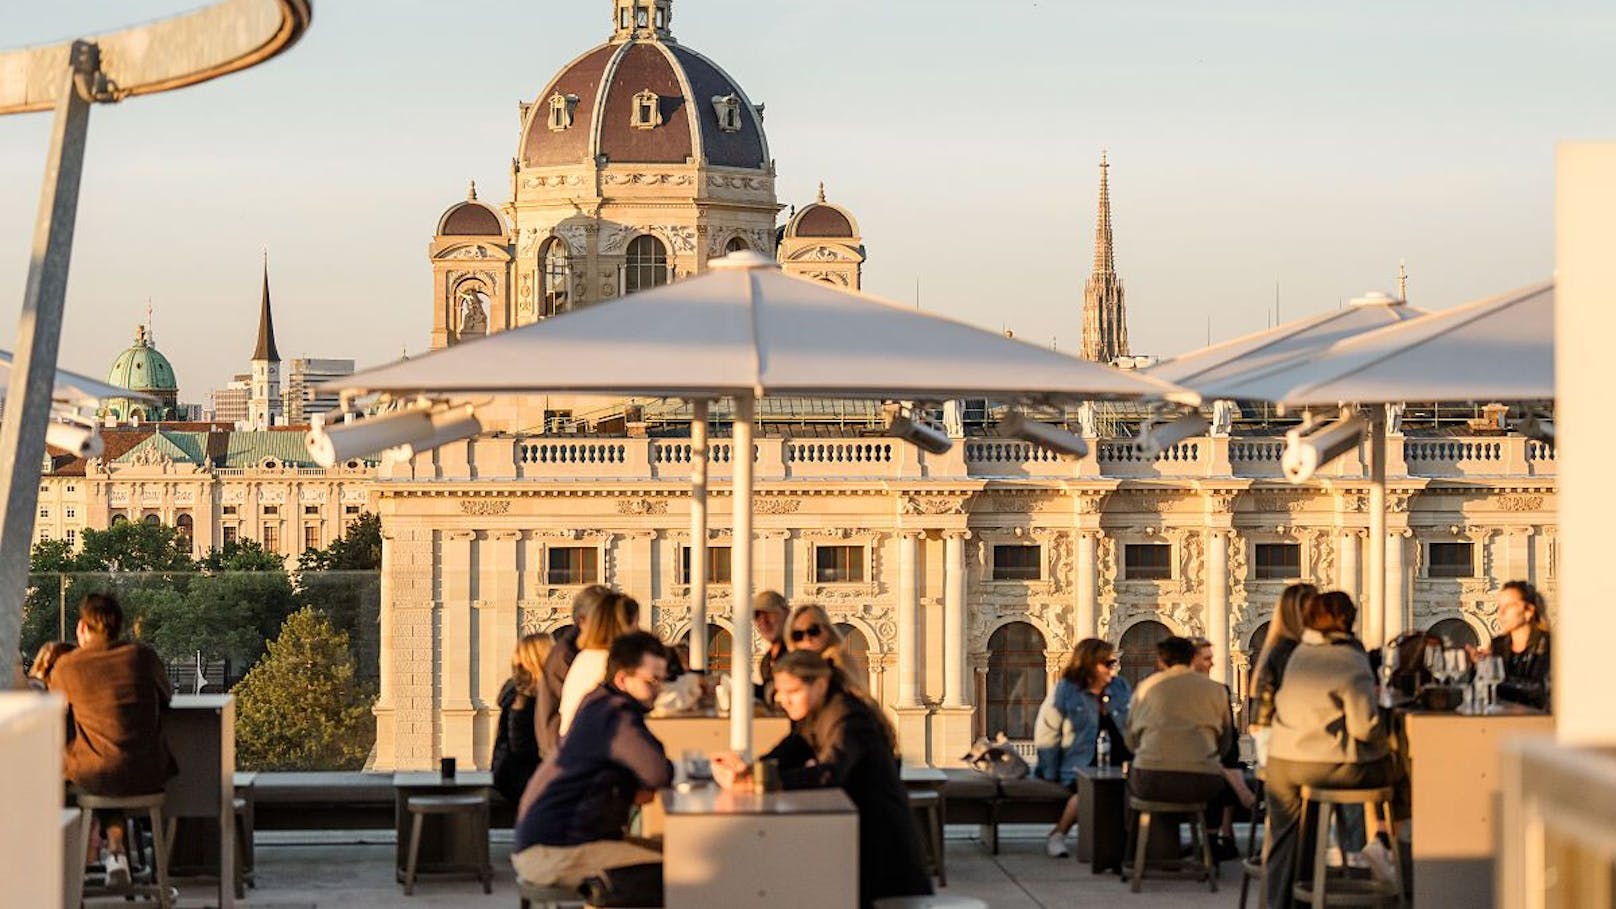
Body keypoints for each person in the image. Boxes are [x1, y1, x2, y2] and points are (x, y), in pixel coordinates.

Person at [713, 651, 932, 908]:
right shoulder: (817, 714)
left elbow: (829, 772)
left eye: (792, 691)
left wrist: (757, 782)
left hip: (881, 844)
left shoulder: (848, 717)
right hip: (854, 835)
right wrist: (749, 771)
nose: (783, 700)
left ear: (819, 684)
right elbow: (788, 751)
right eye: (780, 692)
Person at [1264, 591, 1393, 908]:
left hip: (1281, 762)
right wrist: (1387, 723)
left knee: (1285, 844)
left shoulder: (1298, 653)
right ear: (1348, 621)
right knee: (1395, 773)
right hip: (1327, 765)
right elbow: (1365, 728)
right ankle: (1385, 850)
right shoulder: (1351, 658)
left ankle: (1281, 902)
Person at [513, 631, 672, 889]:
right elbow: (657, 772)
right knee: (685, 870)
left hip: (547, 844)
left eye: (663, 680)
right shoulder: (615, 713)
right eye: (652, 681)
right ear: (622, 679)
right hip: (554, 852)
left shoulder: (598, 703)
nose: (659, 690)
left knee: (676, 854)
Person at [49, 593, 178, 890]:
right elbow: (167, 697)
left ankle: (74, 869)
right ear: (119, 627)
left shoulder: (69, 667)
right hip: (149, 772)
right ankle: (117, 852)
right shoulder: (143, 657)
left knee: (93, 769)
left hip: (97, 774)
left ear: (82, 627)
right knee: (110, 765)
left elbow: (49, 705)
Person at [1034, 637, 1133, 858]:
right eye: (1107, 664)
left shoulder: (1120, 687)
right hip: (1081, 761)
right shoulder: (1066, 690)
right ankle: (1059, 834)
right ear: (1089, 663)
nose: (1112, 669)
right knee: (1093, 789)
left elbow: (1134, 722)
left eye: (1113, 663)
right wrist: (1050, 773)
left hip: (1121, 758)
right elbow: (1048, 732)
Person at [1187, 636, 1258, 859]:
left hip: (1210, 757)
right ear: (1191, 660)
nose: (1212, 664)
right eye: (1206, 658)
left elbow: (1227, 735)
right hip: (1193, 760)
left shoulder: (1219, 690)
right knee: (1224, 762)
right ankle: (1222, 836)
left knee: (1225, 755)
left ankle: (1219, 838)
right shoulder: (1208, 691)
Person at [1248, 582, 1319, 759]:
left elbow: (1260, 721)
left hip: (1282, 749)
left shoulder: (1274, 652)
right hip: (1299, 748)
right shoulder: (1296, 652)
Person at [537, 585, 610, 757]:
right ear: (583, 620)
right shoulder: (569, 655)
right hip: (566, 749)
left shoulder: (574, 651)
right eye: (606, 619)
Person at [558, 592, 641, 736]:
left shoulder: (586, 657)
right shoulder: (610, 662)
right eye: (635, 623)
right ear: (623, 625)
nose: (638, 630)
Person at [1469, 580, 1552, 710]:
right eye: (1499, 607)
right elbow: (1483, 692)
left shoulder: (1549, 645)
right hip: (1502, 722)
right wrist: (1479, 666)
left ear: (1528, 611)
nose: (1501, 613)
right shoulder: (1498, 644)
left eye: (1508, 606)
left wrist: (1497, 674)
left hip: (1538, 724)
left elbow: (1542, 692)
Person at [492, 632, 554, 804]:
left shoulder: (516, 692)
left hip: (509, 775)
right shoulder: (525, 698)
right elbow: (522, 748)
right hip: (524, 781)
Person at [784, 603, 867, 688]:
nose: (807, 638)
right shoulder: (787, 669)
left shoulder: (838, 667)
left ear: (827, 630)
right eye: (798, 635)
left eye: (813, 630)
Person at [753, 590, 790, 703]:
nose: (763, 621)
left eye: (769, 613)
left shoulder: (798, 651)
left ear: (787, 613)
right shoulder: (767, 660)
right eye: (757, 615)